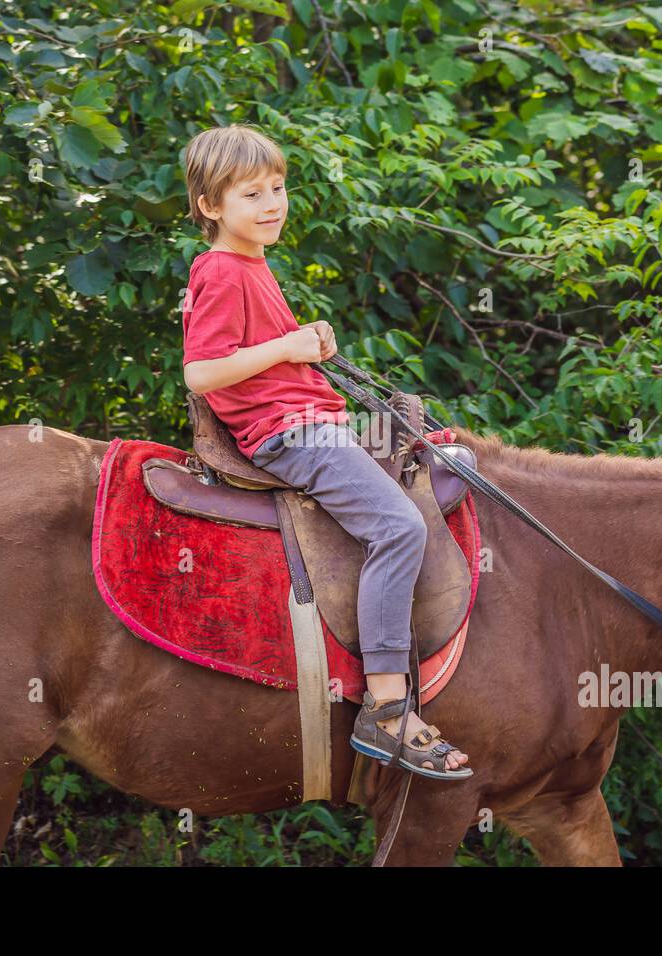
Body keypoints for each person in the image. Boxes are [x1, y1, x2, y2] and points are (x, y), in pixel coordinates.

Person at [179, 123, 470, 779]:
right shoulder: (222, 269)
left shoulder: (251, 264)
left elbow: (258, 356)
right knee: (396, 527)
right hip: (290, 435)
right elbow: (202, 371)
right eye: (251, 193)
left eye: (277, 187)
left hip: (311, 418)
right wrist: (287, 349)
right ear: (210, 206)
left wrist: (301, 340)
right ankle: (388, 704)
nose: (271, 203)